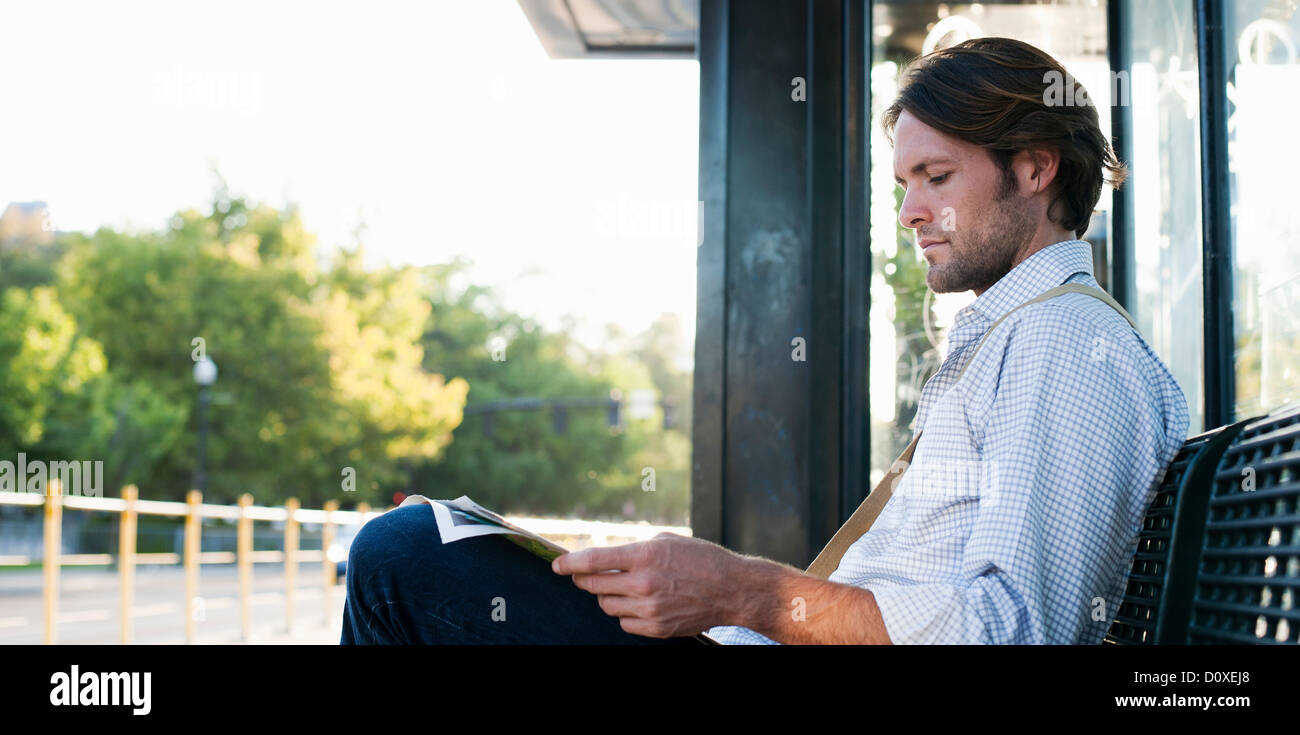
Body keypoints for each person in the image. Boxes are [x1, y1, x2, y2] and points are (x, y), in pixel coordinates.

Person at [341, 36, 1189, 645]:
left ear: (1036, 169)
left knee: (402, 556)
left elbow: (1017, 633)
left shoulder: (1069, 350)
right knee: (442, 544)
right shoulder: (1019, 336)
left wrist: (743, 591)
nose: (909, 213)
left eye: (937, 177)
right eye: (904, 184)